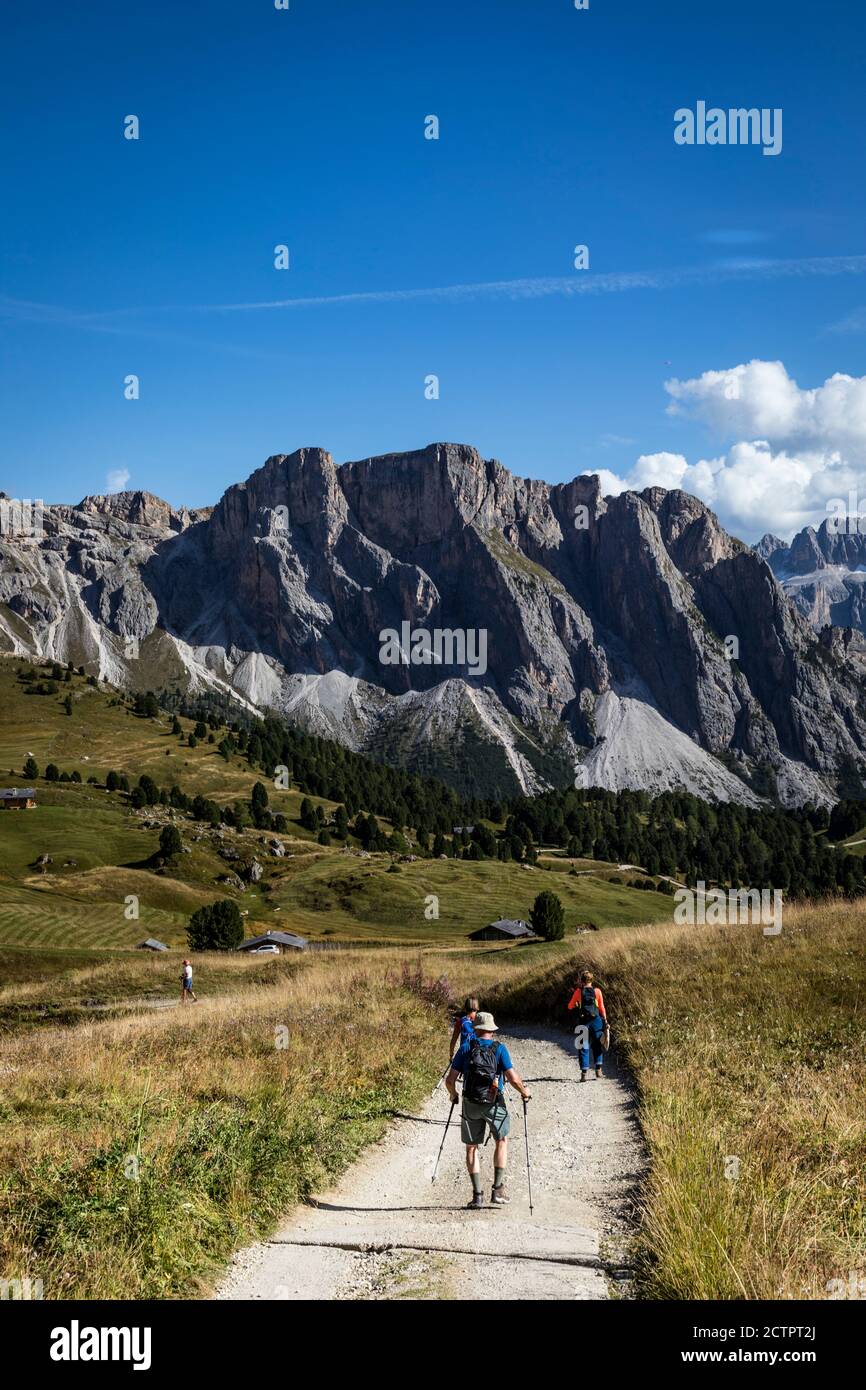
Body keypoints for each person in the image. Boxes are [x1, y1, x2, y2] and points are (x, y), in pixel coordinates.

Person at [445, 1010, 531, 1209]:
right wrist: (524, 1092)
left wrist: (454, 1095)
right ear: (491, 1030)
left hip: (470, 1102)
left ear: (476, 1029)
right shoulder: (500, 1049)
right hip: (493, 1102)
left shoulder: (466, 1047)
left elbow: (450, 1080)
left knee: (471, 1147)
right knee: (501, 1140)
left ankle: (477, 1196)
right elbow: (513, 1078)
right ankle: (498, 1190)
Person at [567, 970, 607, 1080]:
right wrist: (605, 1020)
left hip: (583, 1022)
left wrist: (576, 1004)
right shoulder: (597, 991)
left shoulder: (578, 992)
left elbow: (569, 1006)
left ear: (581, 980)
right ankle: (598, 1070)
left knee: (583, 1046)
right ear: (592, 980)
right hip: (596, 1021)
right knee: (597, 1044)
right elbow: (601, 1007)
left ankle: (584, 1073)